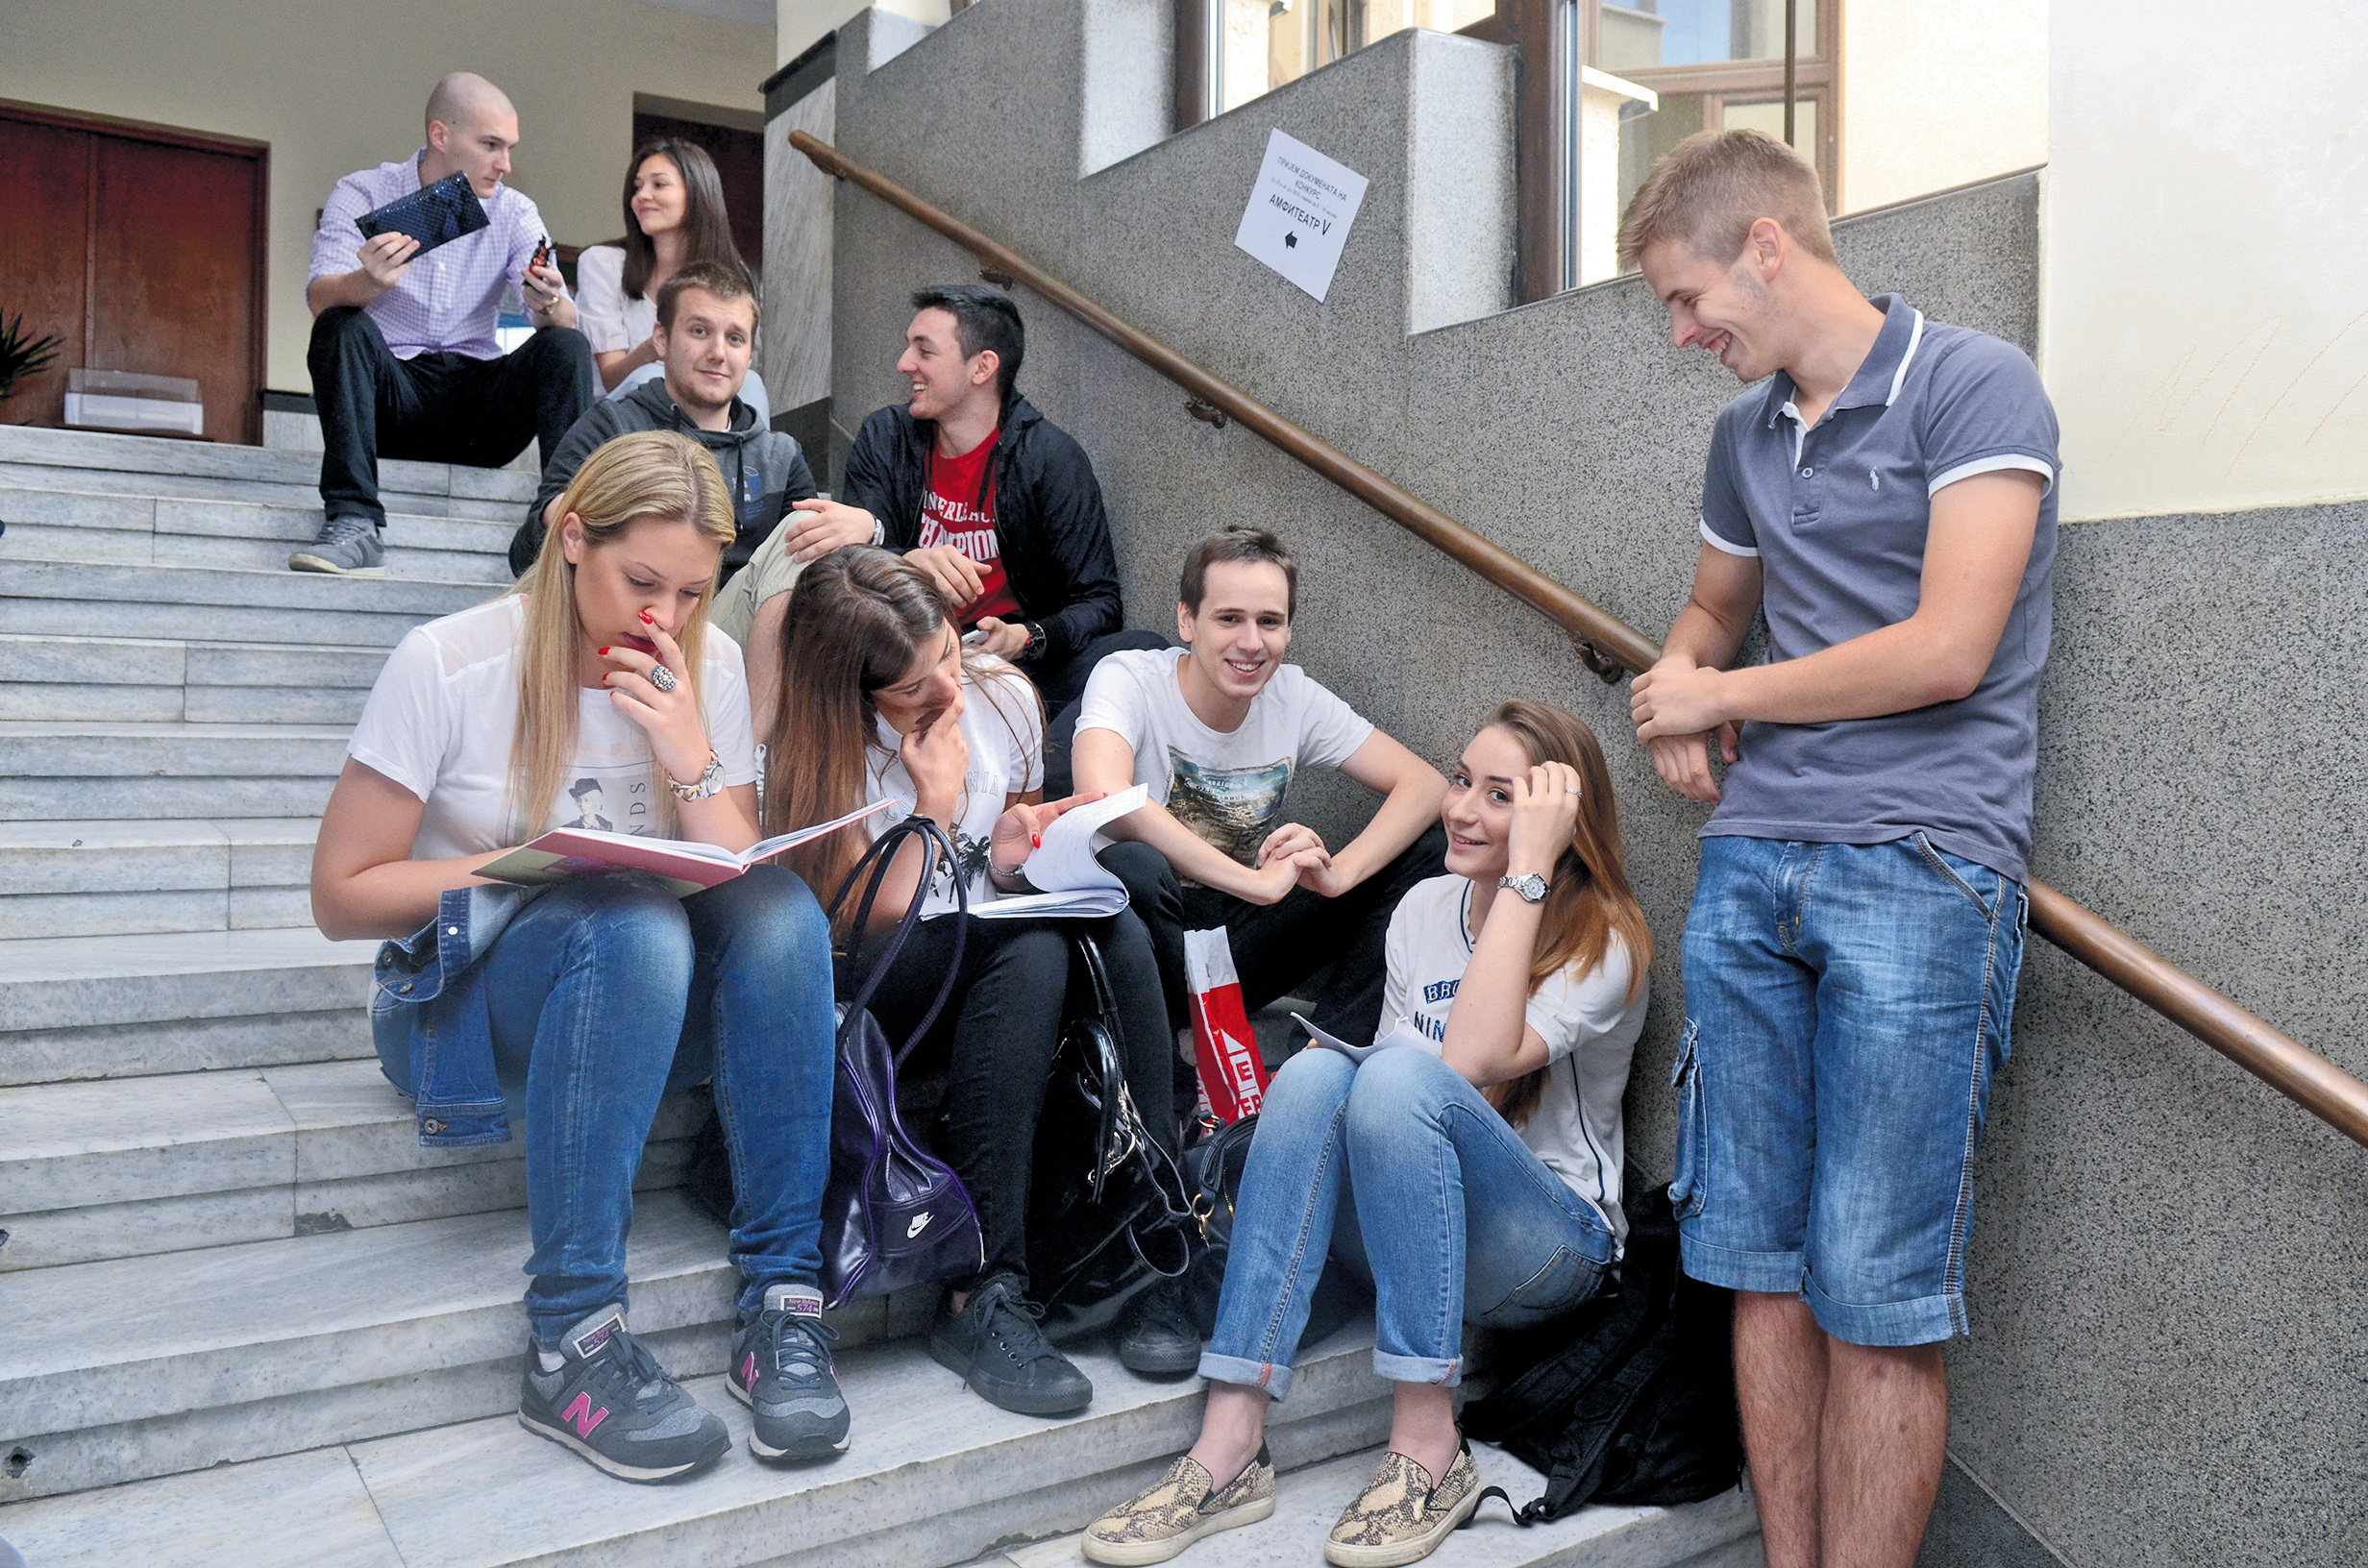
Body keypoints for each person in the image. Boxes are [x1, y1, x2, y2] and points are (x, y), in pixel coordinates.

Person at [1621, 130, 2057, 1568]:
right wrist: (1673, 692)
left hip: (1923, 870)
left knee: (1877, 1291)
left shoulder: (1973, 383)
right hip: (1753, 869)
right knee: (1755, 1266)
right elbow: (1707, 615)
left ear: (1766, 243)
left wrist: (1722, 693)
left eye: (1689, 301)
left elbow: (1948, 649)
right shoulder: (1744, 438)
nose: (1684, 335)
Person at [309, 431, 848, 1481]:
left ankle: (785, 1303)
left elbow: (737, 875)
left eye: (696, 592)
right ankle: (570, 1339)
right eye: (641, 580)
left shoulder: (709, 667)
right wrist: (521, 870)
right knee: (627, 917)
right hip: (461, 1004)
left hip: (636, 1006)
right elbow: (342, 896)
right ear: (569, 538)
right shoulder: (450, 661)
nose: (667, 617)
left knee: (780, 910)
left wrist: (688, 754)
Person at [1082, 702, 1654, 1567]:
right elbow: (1383, 1107)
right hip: (1413, 1224)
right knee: (1314, 1072)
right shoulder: (1425, 907)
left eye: (1500, 797)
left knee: (1393, 1072)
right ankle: (1231, 1440)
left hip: (1543, 1248)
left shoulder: (1599, 939)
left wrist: (1530, 876)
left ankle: (1429, 1447)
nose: (1460, 809)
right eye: (1460, 780)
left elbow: (1466, 1059)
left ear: (1551, 821)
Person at [763, 546, 1200, 1415]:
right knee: (1032, 949)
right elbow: (858, 924)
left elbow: (1000, 848)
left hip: (988, 936)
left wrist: (1014, 848)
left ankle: (1148, 1232)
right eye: (914, 687)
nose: (949, 693)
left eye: (949, 657)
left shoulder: (1004, 696)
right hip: (884, 978)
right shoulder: (814, 754)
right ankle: (983, 1291)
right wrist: (930, 806)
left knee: (1107, 919)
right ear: (852, 691)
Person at [724, 284, 1162, 795]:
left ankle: (1027, 774)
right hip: (895, 656)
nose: (904, 362)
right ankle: (770, 768)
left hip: (1003, 665)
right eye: (910, 346)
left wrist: (1029, 638)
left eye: (924, 350)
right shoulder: (886, 437)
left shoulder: (1049, 460)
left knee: (1140, 652)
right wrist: (907, 560)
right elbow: (846, 570)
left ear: (982, 368)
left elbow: (1101, 602)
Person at [1075, 527, 1448, 1057]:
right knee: (1136, 862)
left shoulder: (1292, 696)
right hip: (1135, 942)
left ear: (1288, 631)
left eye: (1268, 622)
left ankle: (1317, 1059)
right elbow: (1103, 794)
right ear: (1187, 620)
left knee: (1430, 852)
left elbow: (1426, 785)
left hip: (1232, 938)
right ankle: (1161, 1056)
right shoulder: (1129, 678)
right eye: (1229, 618)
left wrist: (1338, 877)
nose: (1251, 642)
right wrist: (1257, 885)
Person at [294, 71, 593, 576]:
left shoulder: (516, 210)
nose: (505, 165)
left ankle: (560, 525)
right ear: (441, 136)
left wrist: (547, 303)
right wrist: (366, 283)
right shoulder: (363, 191)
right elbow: (320, 294)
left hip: (478, 411)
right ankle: (353, 520)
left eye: (509, 147)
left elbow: (563, 314)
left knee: (566, 345)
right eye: (491, 145)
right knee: (340, 324)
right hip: (391, 400)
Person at [506, 262, 858, 582]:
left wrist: (870, 528)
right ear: (661, 338)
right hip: (633, 614)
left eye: (735, 338)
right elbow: (524, 559)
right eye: (700, 331)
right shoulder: (610, 429)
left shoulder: (780, 456)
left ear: (750, 354)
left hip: (737, 630)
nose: (718, 353)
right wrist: (575, 510)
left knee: (807, 539)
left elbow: (814, 577)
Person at [574, 138, 772, 424]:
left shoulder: (733, 275)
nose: (641, 196)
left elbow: (736, 368)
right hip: (620, 413)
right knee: (651, 375)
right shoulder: (602, 262)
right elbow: (610, 379)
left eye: (659, 185)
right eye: (637, 187)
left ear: (696, 195)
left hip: (703, 408)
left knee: (751, 384)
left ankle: (747, 466)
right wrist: (658, 345)